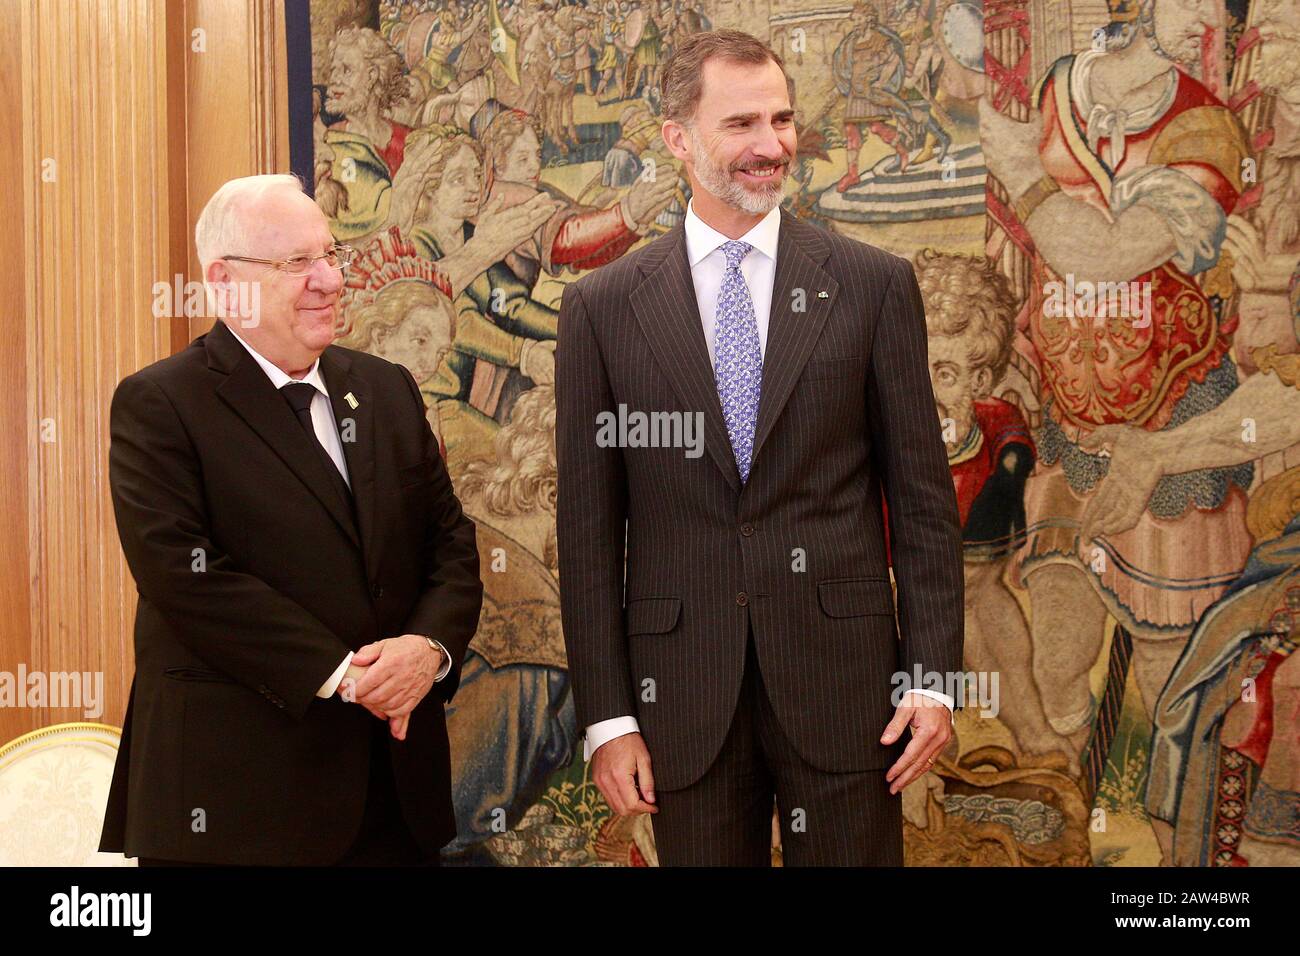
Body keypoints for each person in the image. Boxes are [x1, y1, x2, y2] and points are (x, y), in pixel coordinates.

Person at [556, 30, 964, 866]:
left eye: (781, 120)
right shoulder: (601, 308)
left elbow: (923, 502)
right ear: (678, 139)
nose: (772, 146)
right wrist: (609, 716)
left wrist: (931, 679)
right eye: (742, 124)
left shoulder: (873, 284)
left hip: (847, 690)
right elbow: (588, 533)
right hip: (680, 698)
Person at [98, 174, 483, 866]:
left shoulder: (386, 389)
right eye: (298, 263)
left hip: (393, 799)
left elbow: (450, 542)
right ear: (226, 282)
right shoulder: (161, 404)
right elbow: (183, 578)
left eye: (330, 255)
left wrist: (426, 650)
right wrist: (349, 675)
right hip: (237, 808)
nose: (330, 279)